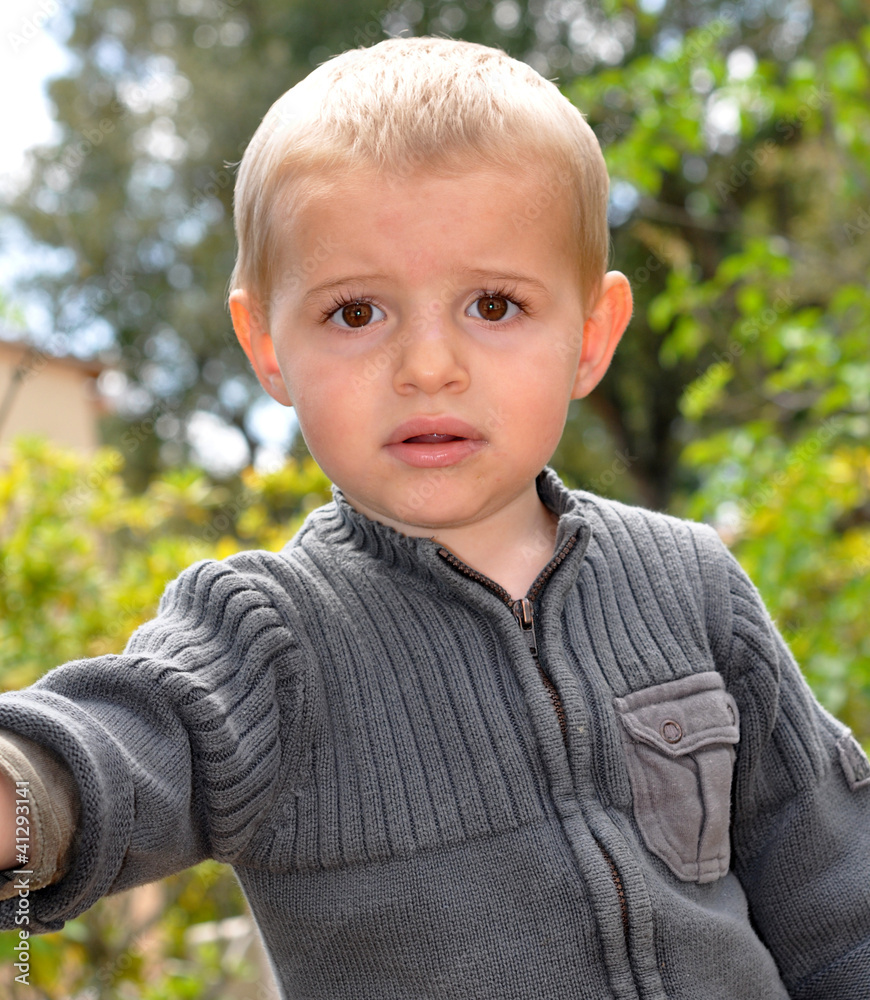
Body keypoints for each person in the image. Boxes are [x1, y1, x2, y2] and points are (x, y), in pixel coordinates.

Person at [1, 36, 868, 1000]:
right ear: (267, 346)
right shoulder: (265, 635)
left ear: (591, 336)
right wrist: (21, 788)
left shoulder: (691, 582)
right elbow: (124, 742)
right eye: (356, 313)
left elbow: (834, 888)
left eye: (493, 305)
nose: (428, 365)